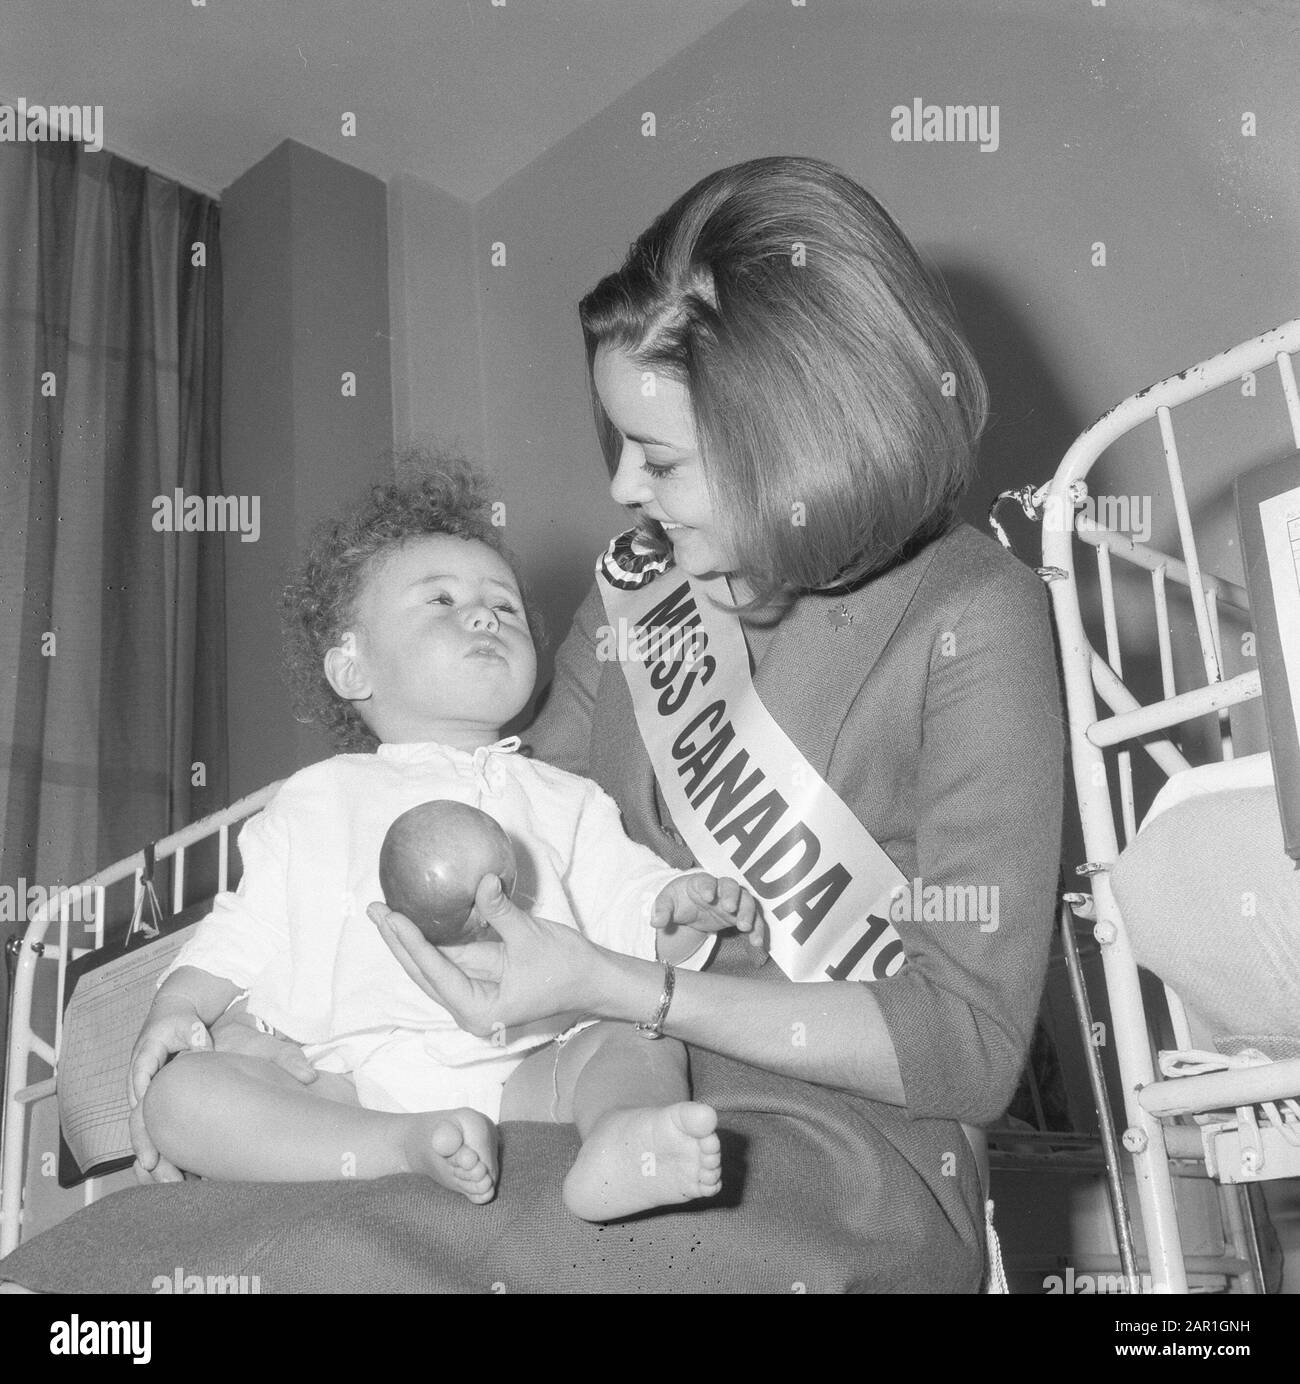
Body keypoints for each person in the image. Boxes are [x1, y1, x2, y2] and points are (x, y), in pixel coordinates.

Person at [7, 156, 1061, 1294]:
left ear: (796, 446)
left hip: (818, 1137)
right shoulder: (638, 595)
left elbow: (969, 1043)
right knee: (117, 1267)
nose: (619, 492)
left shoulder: (974, 617)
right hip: (549, 1082)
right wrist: (264, 1044)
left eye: (657, 457)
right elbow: (488, 838)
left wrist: (625, 991)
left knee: (388, 1261)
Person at [128, 464, 766, 1222]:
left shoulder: (567, 799)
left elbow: (625, 904)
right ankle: (396, 1146)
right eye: (442, 599)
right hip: (346, 1078)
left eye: (504, 606)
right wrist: (174, 1005)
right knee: (183, 1096)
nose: (485, 616)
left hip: (529, 1066)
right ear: (351, 665)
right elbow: (243, 928)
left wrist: (676, 910)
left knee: (640, 1040)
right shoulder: (317, 797)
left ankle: (623, 1140)